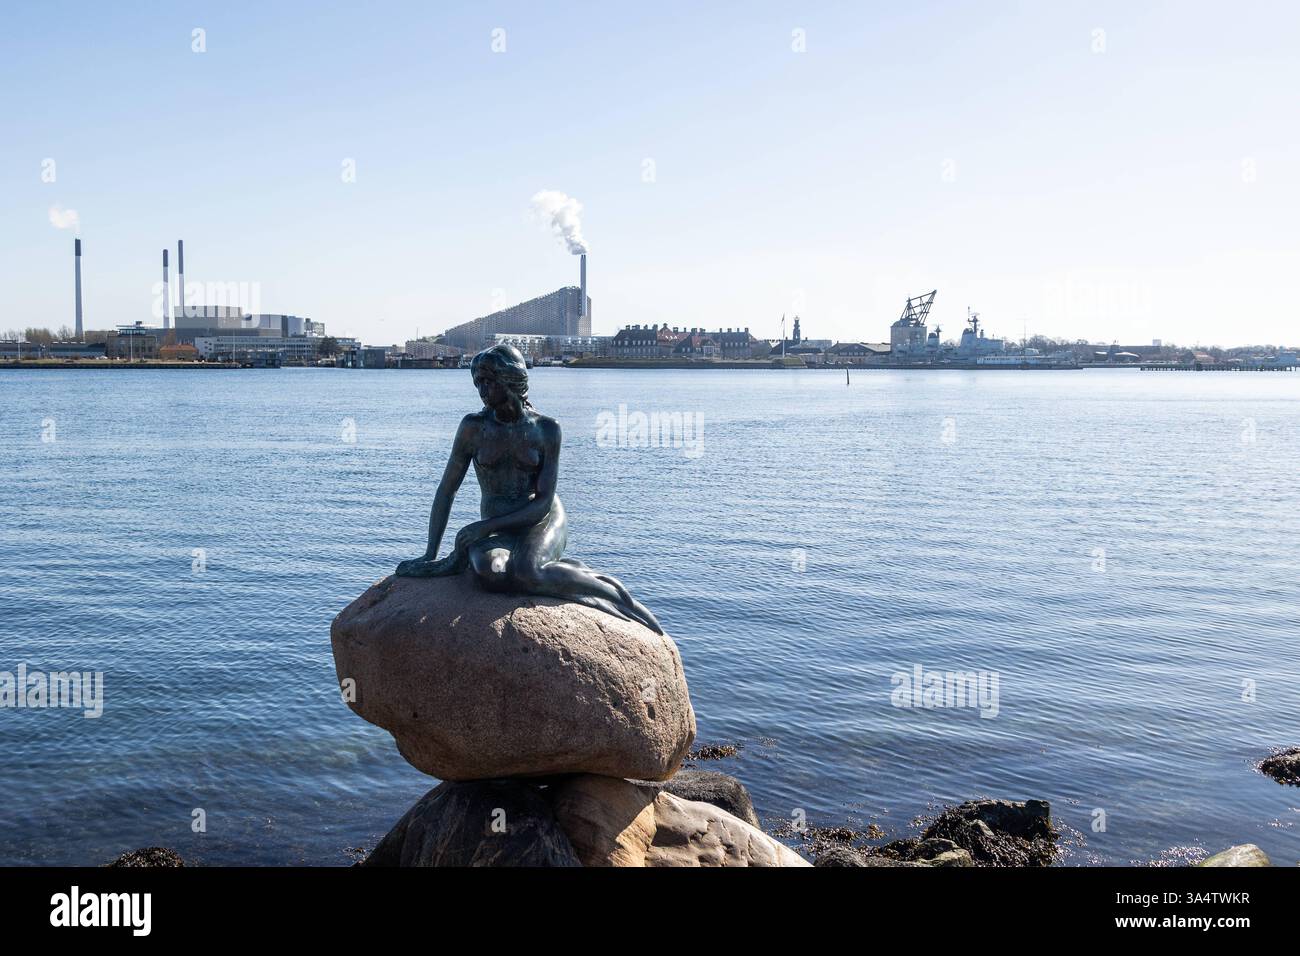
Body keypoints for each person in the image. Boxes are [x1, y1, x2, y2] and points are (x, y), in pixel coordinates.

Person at [395, 344, 663, 633]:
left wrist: (484, 528)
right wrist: (429, 554)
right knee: (491, 573)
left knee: (527, 572)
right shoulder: (473, 428)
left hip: (541, 519)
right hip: (499, 529)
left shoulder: (546, 429)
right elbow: (447, 490)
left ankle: (615, 595)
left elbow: (543, 502)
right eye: (478, 383)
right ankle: (557, 570)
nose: (481, 390)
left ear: (509, 379)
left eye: (488, 381)